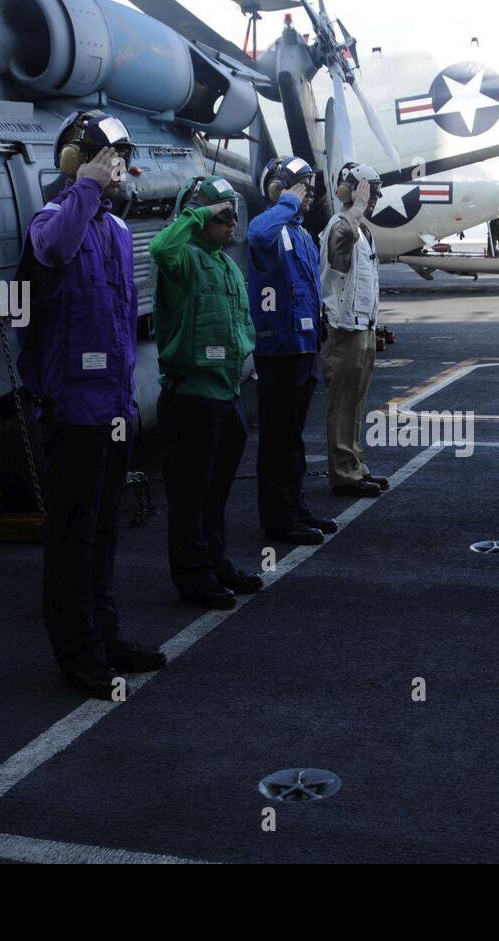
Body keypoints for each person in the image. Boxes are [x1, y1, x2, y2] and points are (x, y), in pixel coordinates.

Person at [16, 110, 166, 699]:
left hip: (110, 411)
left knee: (103, 533)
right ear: (78, 161)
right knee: (72, 536)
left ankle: (104, 636)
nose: (120, 168)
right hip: (71, 411)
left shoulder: (119, 232)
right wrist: (85, 182)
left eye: (122, 159)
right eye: (109, 157)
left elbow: (124, 321)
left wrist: (128, 401)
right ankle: (76, 654)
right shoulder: (55, 219)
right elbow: (53, 250)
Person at [150, 175, 264, 611]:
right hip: (191, 398)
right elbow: (161, 249)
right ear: (197, 216)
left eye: (233, 214)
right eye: (222, 215)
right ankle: (194, 578)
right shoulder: (185, 260)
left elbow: (242, 325)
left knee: (215, 493)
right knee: (189, 497)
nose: (232, 223)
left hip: (226, 396)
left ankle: (217, 563)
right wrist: (197, 212)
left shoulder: (226, 264)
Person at [248, 156, 338, 545]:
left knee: (293, 437)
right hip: (279, 350)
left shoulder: (301, 233)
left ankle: (294, 505)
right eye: (300, 186)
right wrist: (285, 201)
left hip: (302, 347)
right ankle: (278, 517)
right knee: (277, 438)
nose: (308, 195)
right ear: (279, 189)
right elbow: (257, 236)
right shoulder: (272, 226)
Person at [320, 163, 390, 499]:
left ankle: (355, 464)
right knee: (343, 403)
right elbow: (340, 247)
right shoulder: (341, 225)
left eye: (374, 191)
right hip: (344, 329)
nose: (373, 197)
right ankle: (343, 472)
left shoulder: (363, 230)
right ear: (351, 190)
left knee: (356, 403)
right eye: (368, 189)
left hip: (363, 327)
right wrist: (358, 206)